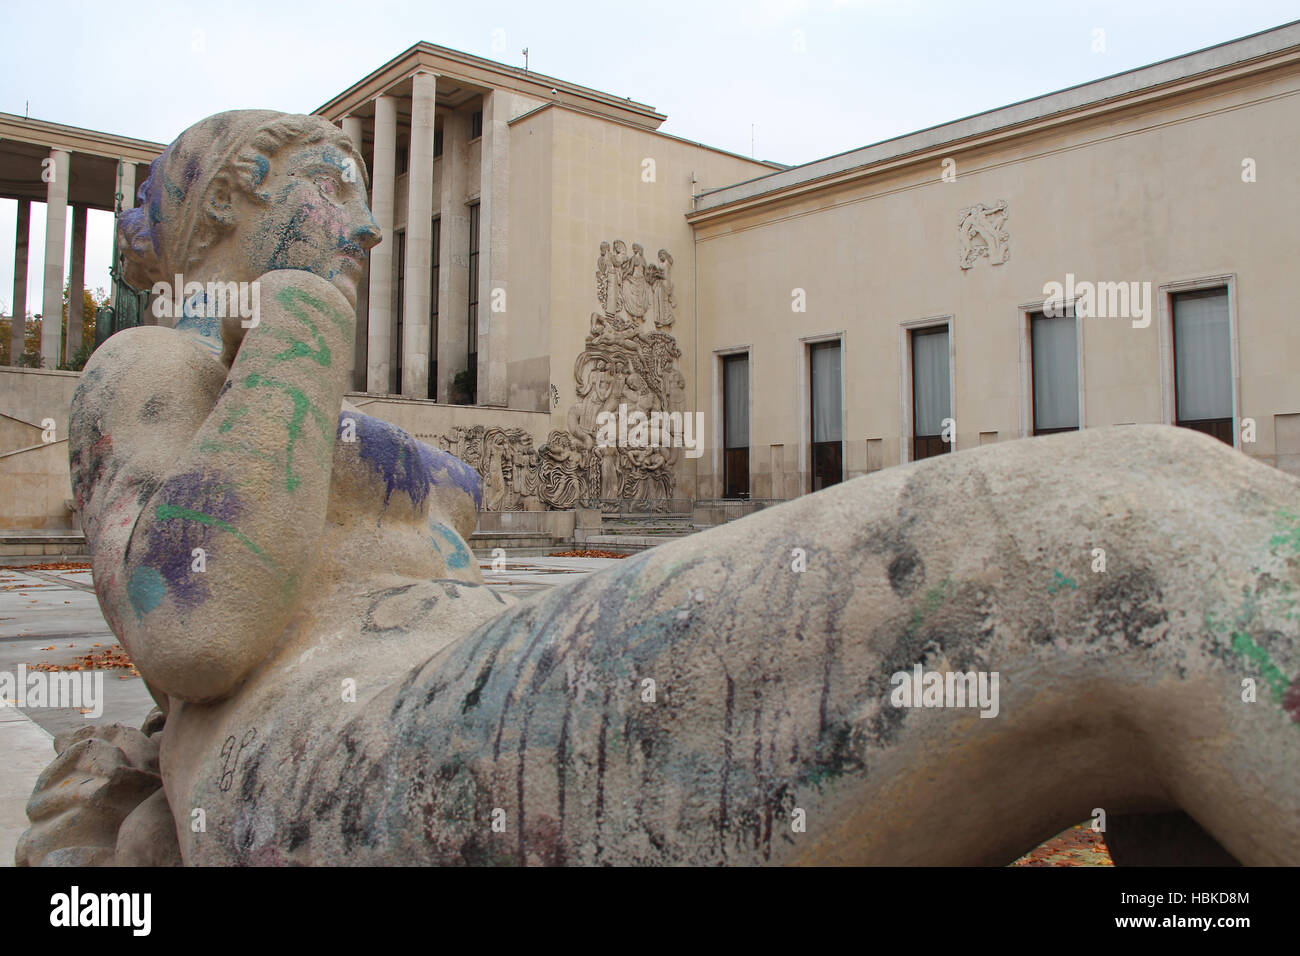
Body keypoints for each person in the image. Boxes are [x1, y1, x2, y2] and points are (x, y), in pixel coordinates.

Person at [45, 110, 1300, 867]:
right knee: (1116, 541)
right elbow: (192, 619)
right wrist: (302, 313)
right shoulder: (150, 365)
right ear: (229, 211)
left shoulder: (306, 412)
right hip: (337, 773)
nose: (365, 232)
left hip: (468, 715)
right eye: (334, 189)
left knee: (1133, 567)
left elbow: (445, 502)